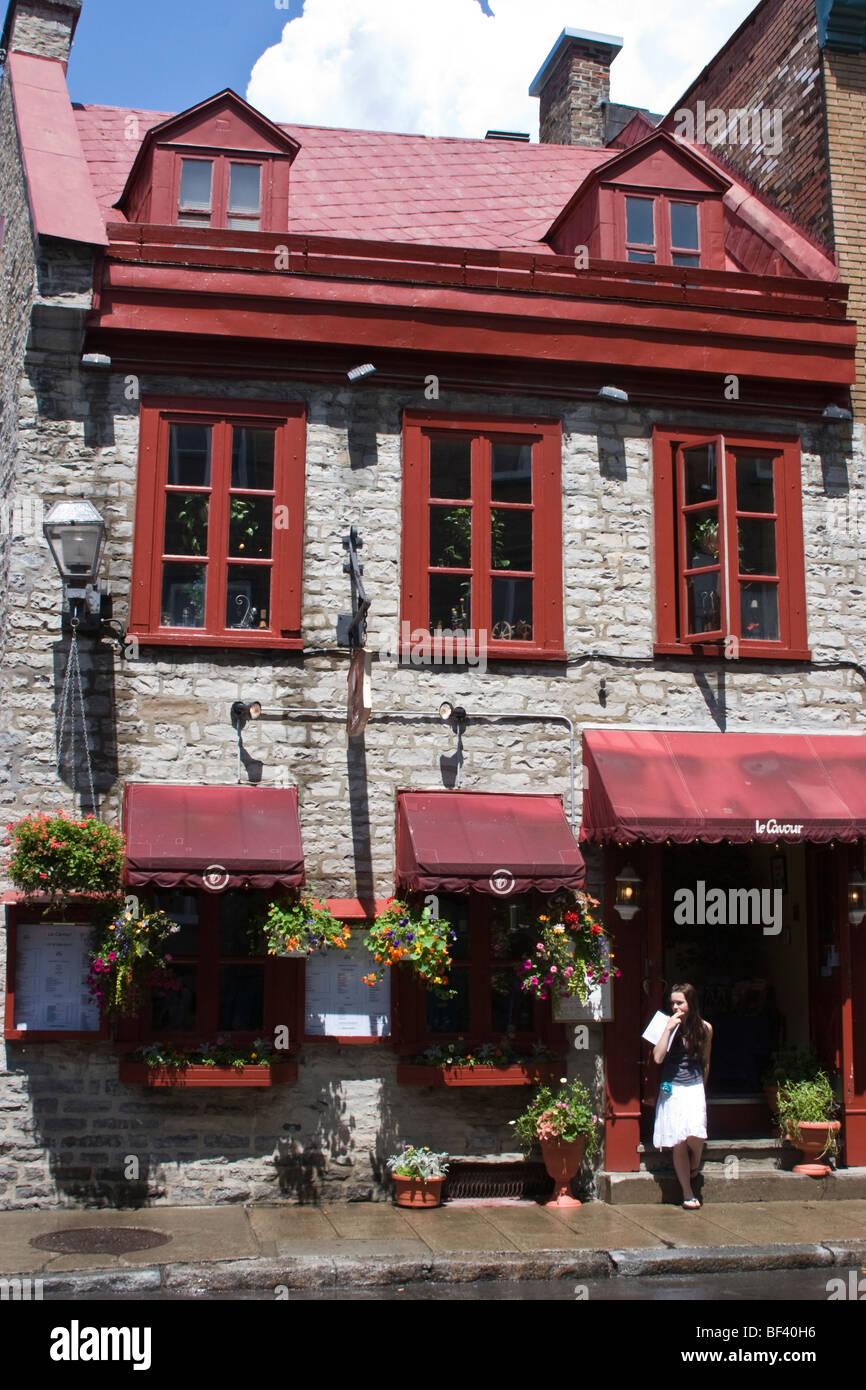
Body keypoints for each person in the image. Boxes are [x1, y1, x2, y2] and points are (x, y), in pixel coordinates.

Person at [651, 982, 713, 1209]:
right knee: (678, 1141)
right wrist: (668, 1029)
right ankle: (687, 1193)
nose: (676, 1007)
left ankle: (695, 1161)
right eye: (673, 1003)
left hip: (694, 1086)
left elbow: (705, 1062)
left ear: (690, 1004)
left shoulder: (705, 1028)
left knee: (696, 1135)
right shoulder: (662, 1024)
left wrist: (702, 1089)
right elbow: (657, 1058)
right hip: (672, 1088)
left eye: (680, 1003)